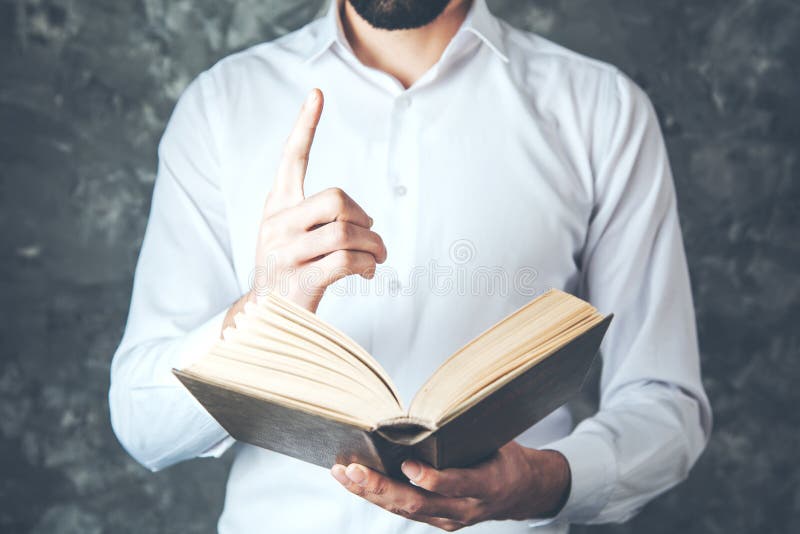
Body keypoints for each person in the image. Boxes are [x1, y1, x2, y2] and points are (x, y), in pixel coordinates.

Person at [109, 0, 712, 532]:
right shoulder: (222, 105)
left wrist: (540, 482)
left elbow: (665, 402)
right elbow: (143, 424)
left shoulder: (602, 110)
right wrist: (261, 314)